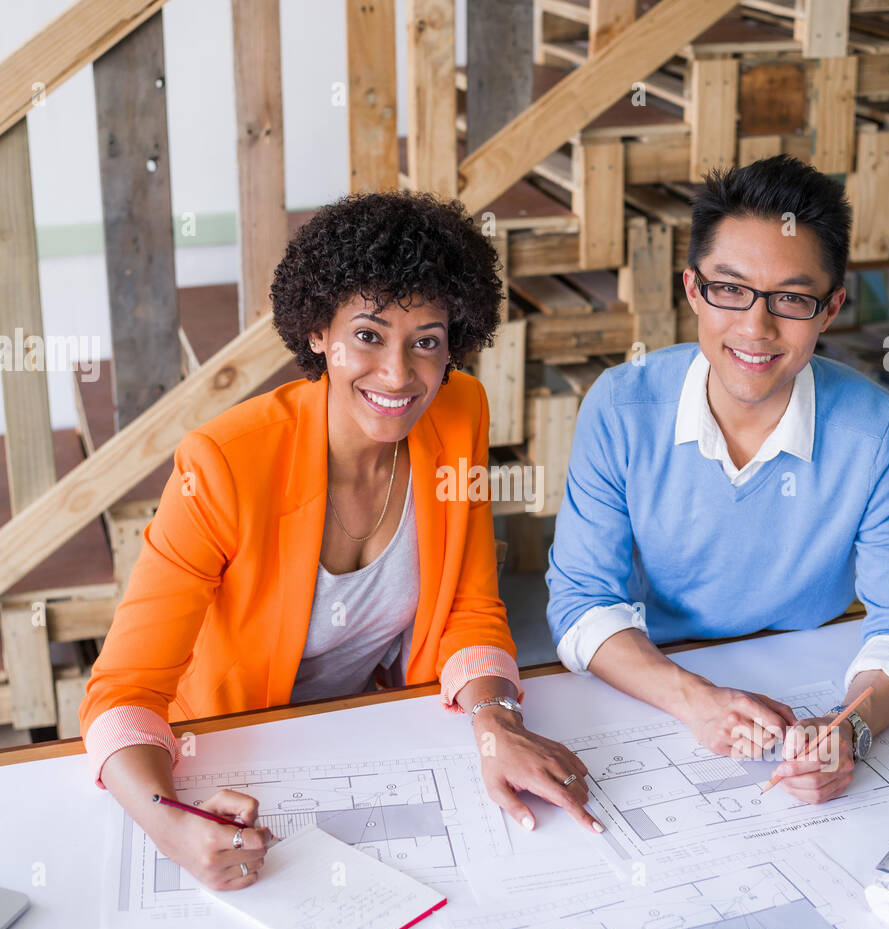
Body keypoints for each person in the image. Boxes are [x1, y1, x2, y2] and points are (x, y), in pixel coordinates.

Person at [80, 191, 600, 892]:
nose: (397, 373)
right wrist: (169, 820)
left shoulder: (458, 414)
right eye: (368, 334)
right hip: (229, 758)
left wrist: (495, 719)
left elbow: (469, 609)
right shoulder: (224, 464)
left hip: (371, 737)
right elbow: (123, 692)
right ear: (318, 331)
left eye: (426, 341)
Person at [546, 154, 889, 804]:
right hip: (654, 684)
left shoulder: (879, 430)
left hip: (814, 666)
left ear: (830, 308)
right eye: (729, 289)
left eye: (792, 298)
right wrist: (694, 698)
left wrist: (850, 732)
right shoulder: (621, 407)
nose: (756, 328)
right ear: (692, 289)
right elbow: (582, 602)